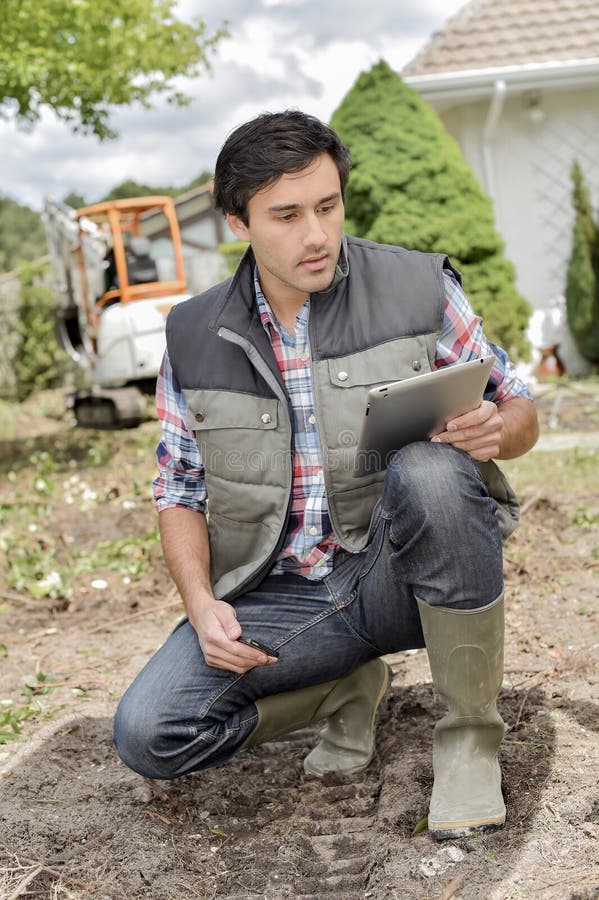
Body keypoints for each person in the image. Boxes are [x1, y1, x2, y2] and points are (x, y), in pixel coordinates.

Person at [113, 110, 539, 840]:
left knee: (433, 471)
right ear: (235, 221)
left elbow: (517, 403)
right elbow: (178, 487)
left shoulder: (416, 286)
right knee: (149, 733)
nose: (314, 234)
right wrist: (199, 603)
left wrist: (500, 431)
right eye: (285, 215)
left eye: (327, 206)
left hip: (404, 575)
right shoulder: (192, 336)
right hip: (284, 601)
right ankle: (343, 689)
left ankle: (469, 737)